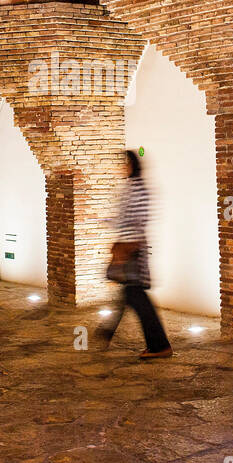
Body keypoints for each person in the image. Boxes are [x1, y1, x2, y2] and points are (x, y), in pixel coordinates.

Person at [97, 149, 172, 359]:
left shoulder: (136, 189)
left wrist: (109, 223)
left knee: (135, 296)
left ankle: (159, 346)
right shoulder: (136, 188)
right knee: (129, 294)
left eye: (124, 163)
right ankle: (108, 332)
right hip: (131, 246)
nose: (121, 167)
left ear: (132, 165)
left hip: (131, 248)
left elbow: (132, 220)